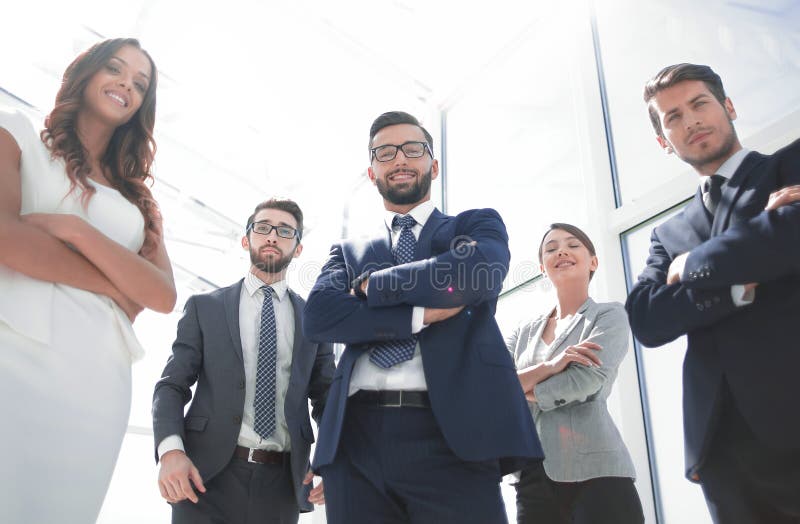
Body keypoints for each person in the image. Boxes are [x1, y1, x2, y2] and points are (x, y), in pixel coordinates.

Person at [302, 111, 543, 524]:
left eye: (412, 149)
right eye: (385, 152)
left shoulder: (474, 224)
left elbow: (470, 274)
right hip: (354, 444)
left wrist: (372, 286)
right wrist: (417, 315)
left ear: (433, 165)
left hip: (453, 435)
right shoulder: (347, 252)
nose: (399, 159)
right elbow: (320, 316)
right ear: (372, 170)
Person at [0, 38, 176, 523]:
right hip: (13, 352)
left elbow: (160, 296)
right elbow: (6, 239)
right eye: (116, 70)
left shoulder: (139, 203)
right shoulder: (15, 133)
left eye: (140, 84)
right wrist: (115, 285)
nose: (126, 85)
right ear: (85, 73)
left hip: (98, 381)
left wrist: (73, 229)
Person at [626, 63, 800, 523]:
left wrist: (693, 265)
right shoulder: (667, 233)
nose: (691, 121)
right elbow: (646, 317)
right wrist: (739, 285)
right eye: (673, 117)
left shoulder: (789, 163)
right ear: (664, 142)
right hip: (718, 448)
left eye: (699, 104)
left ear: (728, 106)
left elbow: (790, 236)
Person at [152, 198, 335, 524]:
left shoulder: (315, 319)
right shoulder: (204, 308)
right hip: (204, 479)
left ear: (298, 247)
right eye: (263, 228)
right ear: (245, 238)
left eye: (284, 231)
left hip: (281, 486)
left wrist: (335, 459)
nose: (272, 236)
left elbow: (326, 398)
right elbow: (171, 386)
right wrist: (171, 452)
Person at [506, 223, 643, 524]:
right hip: (532, 477)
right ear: (543, 267)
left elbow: (587, 380)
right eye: (551, 248)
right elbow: (495, 388)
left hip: (598, 473)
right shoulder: (522, 332)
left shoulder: (607, 315)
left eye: (573, 244)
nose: (562, 251)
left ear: (593, 261)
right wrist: (550, 367)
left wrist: (523, 390)